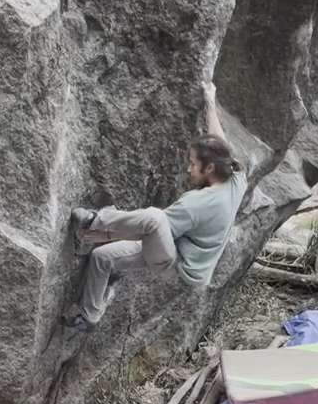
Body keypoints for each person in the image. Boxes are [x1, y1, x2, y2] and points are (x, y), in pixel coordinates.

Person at [64, 83, 247, 332]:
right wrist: (209, 101)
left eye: (193, 164)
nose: (188, 169)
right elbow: (221, 143)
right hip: (180, 254)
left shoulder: (196, 204)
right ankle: (89, 317)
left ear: (209, 168)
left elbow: (146, 230)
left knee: (154, 218)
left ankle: (93, 220)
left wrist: (96, 231)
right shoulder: (236, 179)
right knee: (102, 257)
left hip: (177, 266)